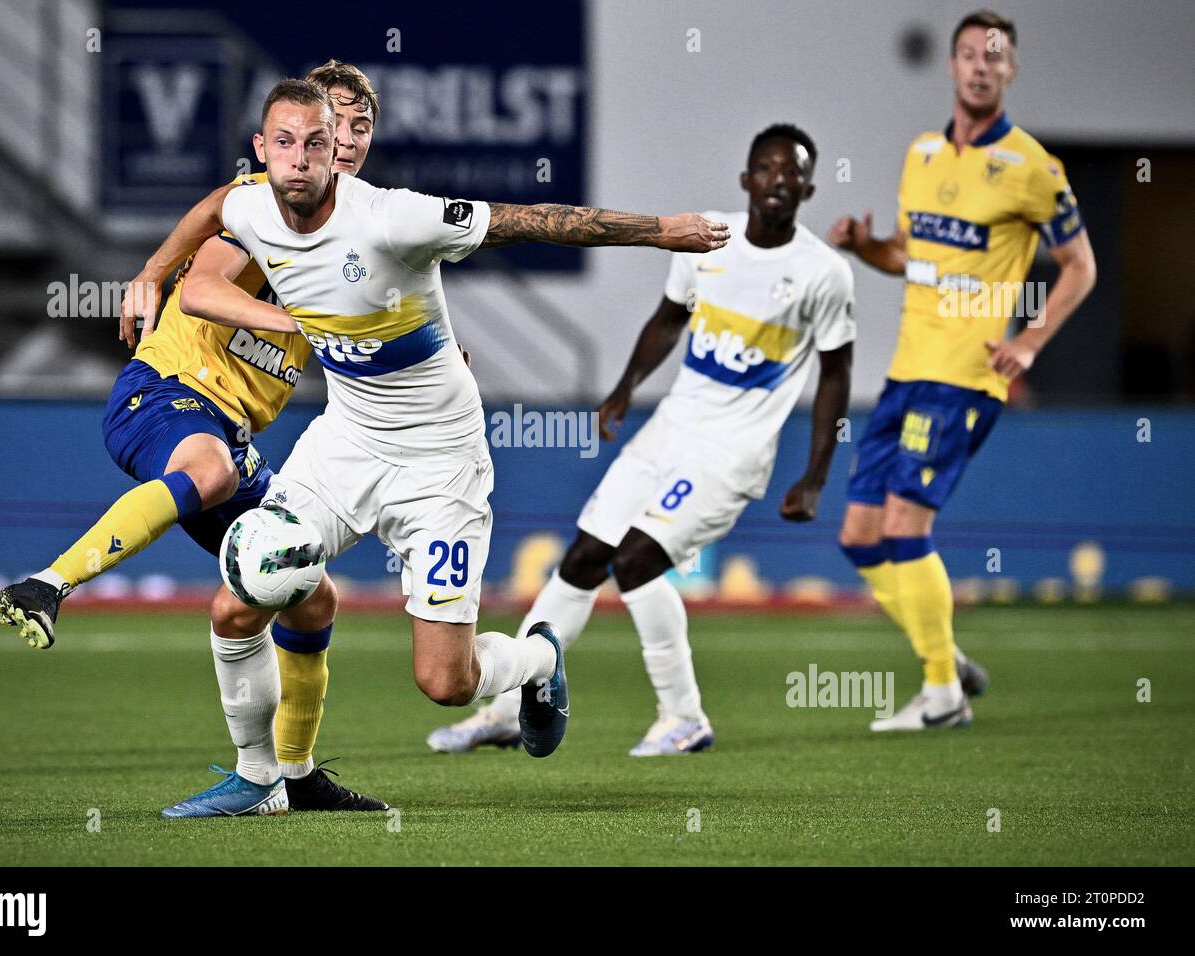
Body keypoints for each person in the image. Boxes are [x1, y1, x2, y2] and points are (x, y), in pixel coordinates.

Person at [159, 77, 730, 816]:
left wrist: (660, 230)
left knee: (445, 683)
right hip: (345, 444)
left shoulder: (394, 218)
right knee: (240, 602)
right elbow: (211, 209)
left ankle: (538, 657)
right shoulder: (249, 208)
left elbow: (533, 220)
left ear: (340, 154)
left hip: (439, 465)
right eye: (285, 145)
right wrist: (148, 271)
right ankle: (259, 777)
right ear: (260, 152)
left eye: (318, 145)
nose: (300, 161)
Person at [0, 61, 388, 810]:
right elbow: (205, 285)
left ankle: (286, 779)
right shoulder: (264, 208)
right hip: (165, 395)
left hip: (233, 433)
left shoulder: (360, 240)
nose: (336, 144)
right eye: (322, 127)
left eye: (355, 126)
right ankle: (49, 584)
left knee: (310, 591)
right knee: (206, 470)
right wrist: (163, 271)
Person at [428, 125, 855, 756]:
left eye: (792, 171)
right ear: (746, 178)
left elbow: (836, 375)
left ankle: (683, 716)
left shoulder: (823, 273)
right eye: (766, 168)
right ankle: (507, 709)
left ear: (810, 186)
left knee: (633, 562)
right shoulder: (710, 238)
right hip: (670, 431)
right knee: (580, 561)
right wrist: (625, 389)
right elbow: (668, 320)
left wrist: (815, 475)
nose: (778, 180)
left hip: (731, 455)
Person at [829, 10, 1096, 731]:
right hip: (906, 372)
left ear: (1011, 72)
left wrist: (1032, 341)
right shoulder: (920, 154)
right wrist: (863, 246)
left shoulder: (1033, 168)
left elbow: (1080, 266)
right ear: (951, 66)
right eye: (970, 54)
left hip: (965, 377)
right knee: (857, 535)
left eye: (995, 57)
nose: (981, 66)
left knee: (905, 524)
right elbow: (908, 255)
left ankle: (943, 692)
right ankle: (942, 655)